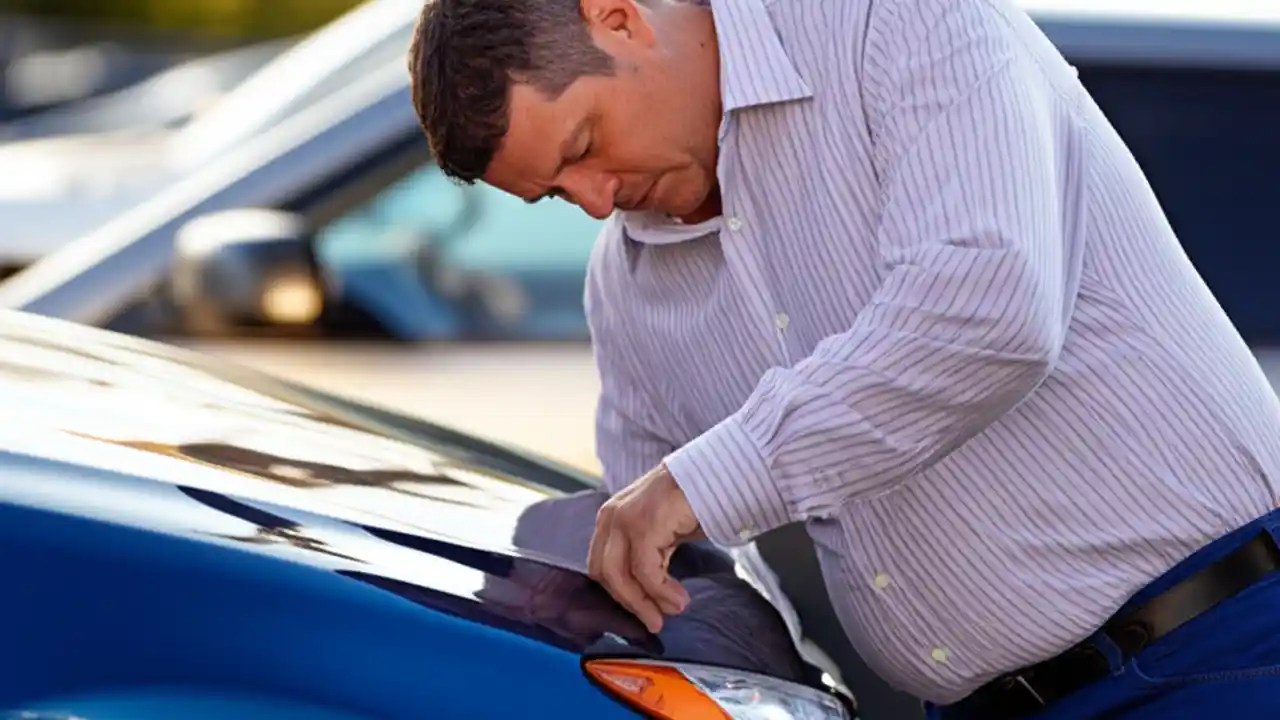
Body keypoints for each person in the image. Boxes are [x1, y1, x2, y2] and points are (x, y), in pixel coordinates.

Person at [405, 0, 1280, 716]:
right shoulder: (628, 285)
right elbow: (690, 584)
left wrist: (705, 479)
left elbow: (988, 310)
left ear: (619, 17)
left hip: (1217, 656)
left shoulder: (889, 19)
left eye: (584, 147)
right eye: (556, 194)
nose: (596, 204)